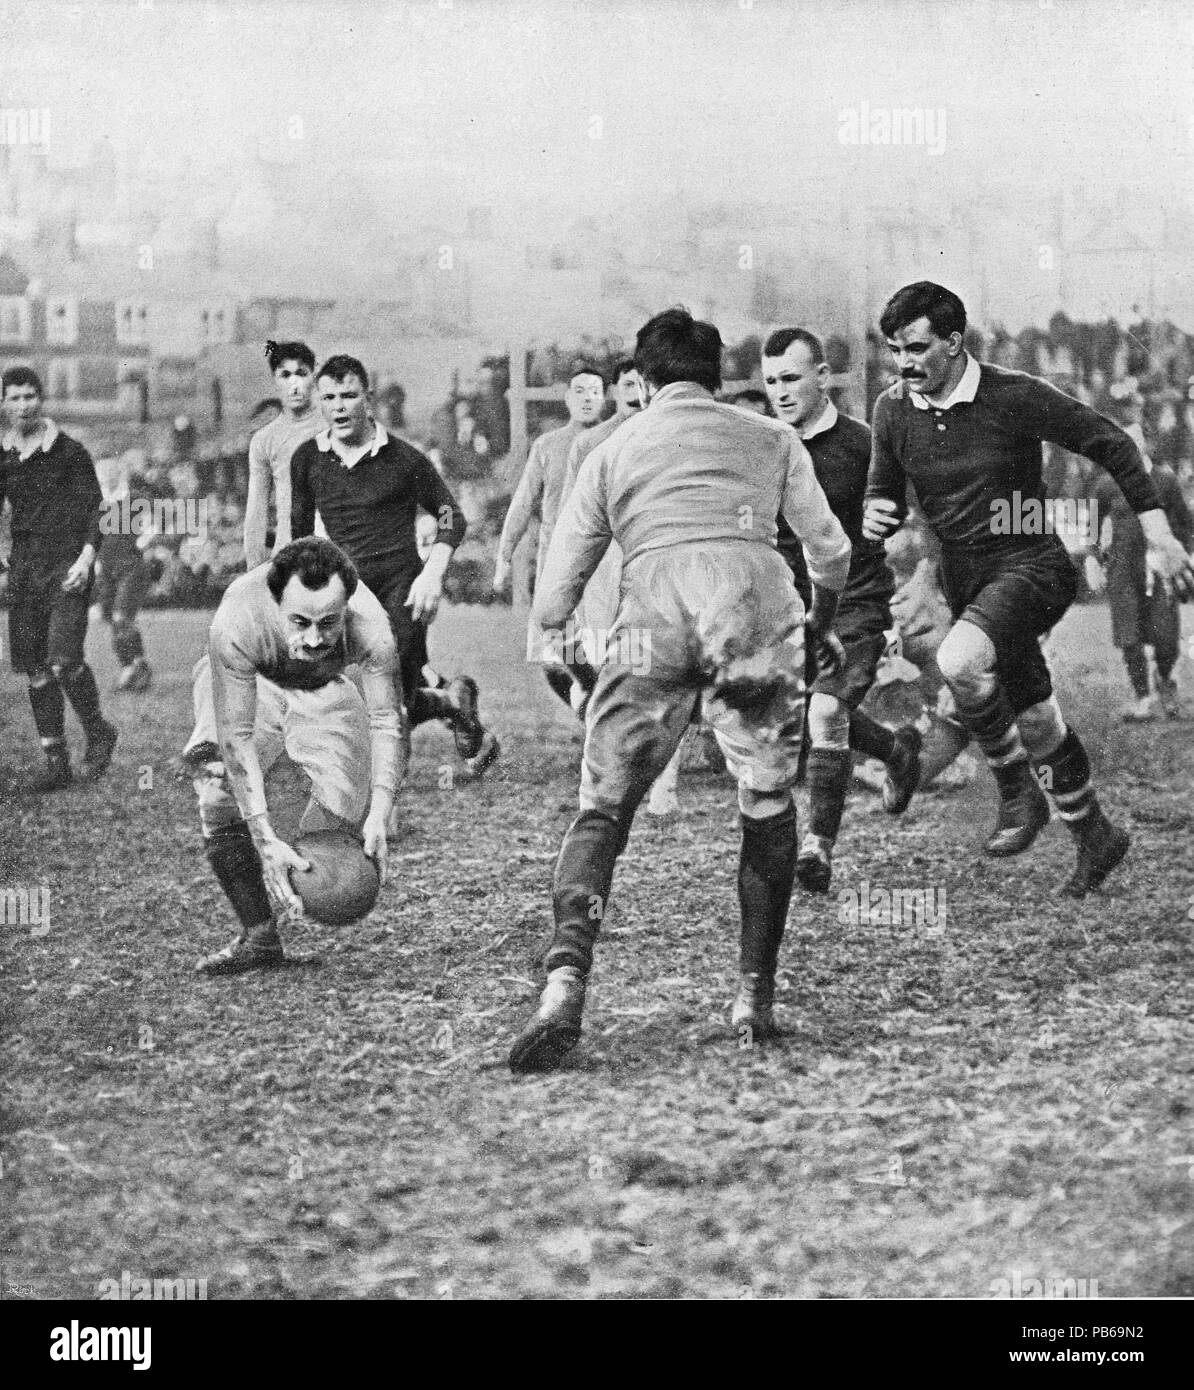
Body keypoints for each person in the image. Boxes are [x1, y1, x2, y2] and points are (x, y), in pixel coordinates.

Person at [507, 308, 851, 1073]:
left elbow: (554, 596)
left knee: (602, 808)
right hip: (756, 604)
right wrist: (817, 622)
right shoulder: (771, 438)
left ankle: (565, 983)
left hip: (653, 611)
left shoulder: (612, 448)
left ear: (645, 378)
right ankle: (752, 999)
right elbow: (831, 552)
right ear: (720, 375)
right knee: (764, 801)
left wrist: (585, 667)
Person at [863, 281, 1194, 896]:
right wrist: (876, 513)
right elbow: (882, 487)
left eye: (915, 348)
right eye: (894, 351)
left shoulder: (1013, 396)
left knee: (958, 659)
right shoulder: (891, 409)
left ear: (954, 342)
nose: (904, 363)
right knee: (1039, 719)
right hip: (969, 582)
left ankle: (1017, 791)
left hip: (1031, 566)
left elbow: (1114, 445)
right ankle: (1096, 836)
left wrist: (1160, 534)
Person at [188, 538, 403, 975]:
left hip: (329, 692)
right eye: (300, 622)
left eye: (329, 623)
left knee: (340, 823)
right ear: (274, 601)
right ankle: (259, 936)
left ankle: (323, 817)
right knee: (218, 792)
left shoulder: (372, 628)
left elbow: (386, 721)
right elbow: (238, 733)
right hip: (255, 689)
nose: (314, 638)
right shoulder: (237, 620)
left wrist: (380, 812)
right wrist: (264, 839)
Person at [761, 328, 922, 892]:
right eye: (772, 381)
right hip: (787, 605)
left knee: (825, 711)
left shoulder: (862, 443)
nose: (781, 391)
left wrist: (895, 531)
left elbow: (907, 511)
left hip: (854, 601)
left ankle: (817, 848)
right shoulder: (762, 446)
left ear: (823, 377)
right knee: (799, 716)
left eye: (792, 378)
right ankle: (895, 747)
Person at [291, 354, 498, 777]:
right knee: (355, 691)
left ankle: (381, 795)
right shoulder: (308, 460)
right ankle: (447, 702)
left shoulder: (404, 459)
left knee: (386, 687)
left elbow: (448, 515)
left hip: (401, 586)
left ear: (368, 399)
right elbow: (300, 536)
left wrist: (432, 574)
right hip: (345, 590)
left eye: (349, 395)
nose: (339, 407)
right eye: (329, 397)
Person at [0, 367, 118, 791]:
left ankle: (98, 731)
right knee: (35, 669)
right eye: (14, 398)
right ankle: (56, 761)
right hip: (25, 571)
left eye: (30, 396)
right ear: (4, 404)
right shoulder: (4, 455)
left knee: (65, 661)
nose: (24, 405)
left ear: (42, 399)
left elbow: (99, 510)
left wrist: (87, 558)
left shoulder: (68, 451)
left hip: (67, 566)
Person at [492, 364, 607, 712]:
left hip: (601, 560)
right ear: (567, 398)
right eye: (580, 391)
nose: (587, 399)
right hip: (556, 561)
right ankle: (589, 712)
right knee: (551, 659)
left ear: (604, 398)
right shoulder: (548, 445)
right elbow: (524, 501)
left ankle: (604, 716)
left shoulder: (614, 441)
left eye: (595, 392)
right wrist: (504, 555)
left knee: (607, 652)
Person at [1086, 400, 1192, 721]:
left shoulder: (1165, 481)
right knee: (1128, 633)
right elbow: (1091, 526)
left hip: (1159, 569)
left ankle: (1165, 680)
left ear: (1145, 442)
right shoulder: (1105, 485)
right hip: (1122, 567)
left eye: (1134, 440)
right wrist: (1092, 558)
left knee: (1166, 637)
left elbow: (1186, 526)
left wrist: (1182, 556)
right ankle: (1142, 698)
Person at [242, 341, 323, 570]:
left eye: (301, 373)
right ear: (275, 380)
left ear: (313, 376)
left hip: (338, 553)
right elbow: (256, 511)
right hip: (290, 555)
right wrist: (254, 566)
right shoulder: (264, 440)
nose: (294, 383)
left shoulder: (335, 427)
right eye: (285, 375)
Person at [94, 454, 154, 692]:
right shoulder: (96, 503)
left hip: (131, 568)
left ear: (119, 472)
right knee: (113, 620)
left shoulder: (136, 499)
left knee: (121, 618)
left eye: (110, 469)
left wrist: (141, 543)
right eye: (101, 470)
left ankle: (132, 669)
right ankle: (137, 664)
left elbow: (151, 527)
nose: (105, 474)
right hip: (106, 570)